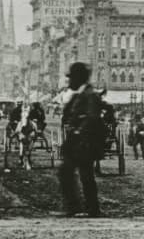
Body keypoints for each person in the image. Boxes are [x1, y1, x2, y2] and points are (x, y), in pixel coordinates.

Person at [59, 62, 103, 218]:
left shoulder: (90, 94)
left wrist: (78, 131)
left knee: (76, 174)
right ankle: (88, 207)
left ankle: (80, 207)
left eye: (71, 78)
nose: (69, 81)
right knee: (83, 175)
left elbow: (92, 117)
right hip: (78, 143)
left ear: (79, 78)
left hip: (84, 143)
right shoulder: (80, 94)